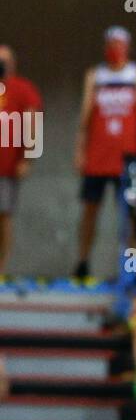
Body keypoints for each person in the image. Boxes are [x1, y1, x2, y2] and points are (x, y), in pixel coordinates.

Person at [73, 26, 136, 280]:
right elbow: (84, 117)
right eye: (111, 43)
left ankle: (130, 266)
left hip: (128, 157)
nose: (115, 49)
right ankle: (83, 261)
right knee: (90, 210)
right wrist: (80, 150)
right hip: (98, 155)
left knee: (129, 215)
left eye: (119, 44)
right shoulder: (95, 75)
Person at [0, 43, 43, 275]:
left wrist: (29, 158)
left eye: (4, 61)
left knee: (3, 216)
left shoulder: (22, 88)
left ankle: (2, 269)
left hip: (6, 167)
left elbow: (34, 122)